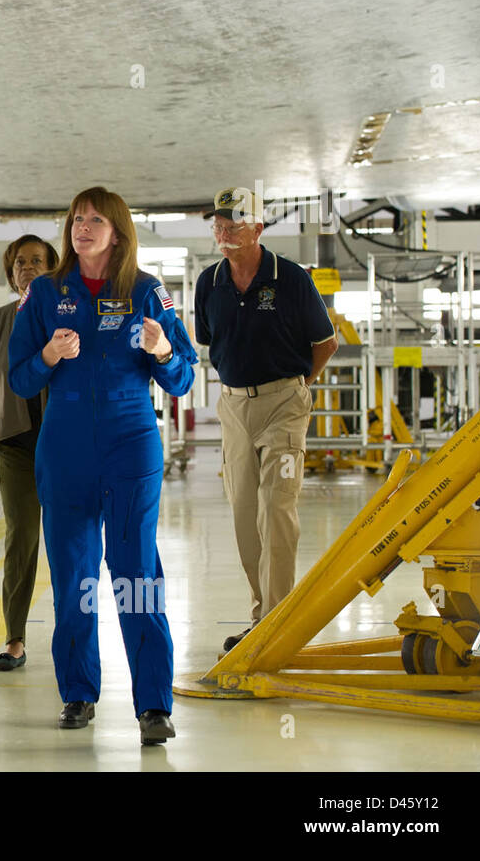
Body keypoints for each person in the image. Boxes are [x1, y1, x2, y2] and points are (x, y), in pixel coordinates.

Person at [8, 186, 197, 745]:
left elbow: (184, 376)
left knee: (136, 571)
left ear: (118, 231)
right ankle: (78, 693)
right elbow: (18, 377)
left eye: (95, 220)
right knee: (73, 574)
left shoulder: (146, 291)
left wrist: (162, 349)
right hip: (64, 446)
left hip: (130, 440)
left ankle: (154, 706)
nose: (82, 228)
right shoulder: (43, 293)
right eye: (75, 219)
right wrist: (47, 356)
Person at [195, 187, 338, 653]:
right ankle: (262, 615)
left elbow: (326, 344)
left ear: (258, 228)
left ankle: (278, 624)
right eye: (218, 223)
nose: (223, 231)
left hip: (284, 404)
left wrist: (298, 389)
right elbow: (207, 341)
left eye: (234, 223)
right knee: (242, 514)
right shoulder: (208, 282)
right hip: (234, 407)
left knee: (276, 508)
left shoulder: (291, 278)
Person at [0, 234, 58, 670]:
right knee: (21, 539)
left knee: (66, 541)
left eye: (37, 261)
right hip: (14, 445)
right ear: (10, 271)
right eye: (20, 262)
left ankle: (72, 632)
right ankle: (14, 638)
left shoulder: (67, 313)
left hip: (63, 443)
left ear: (52, 269)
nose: (27, 268)